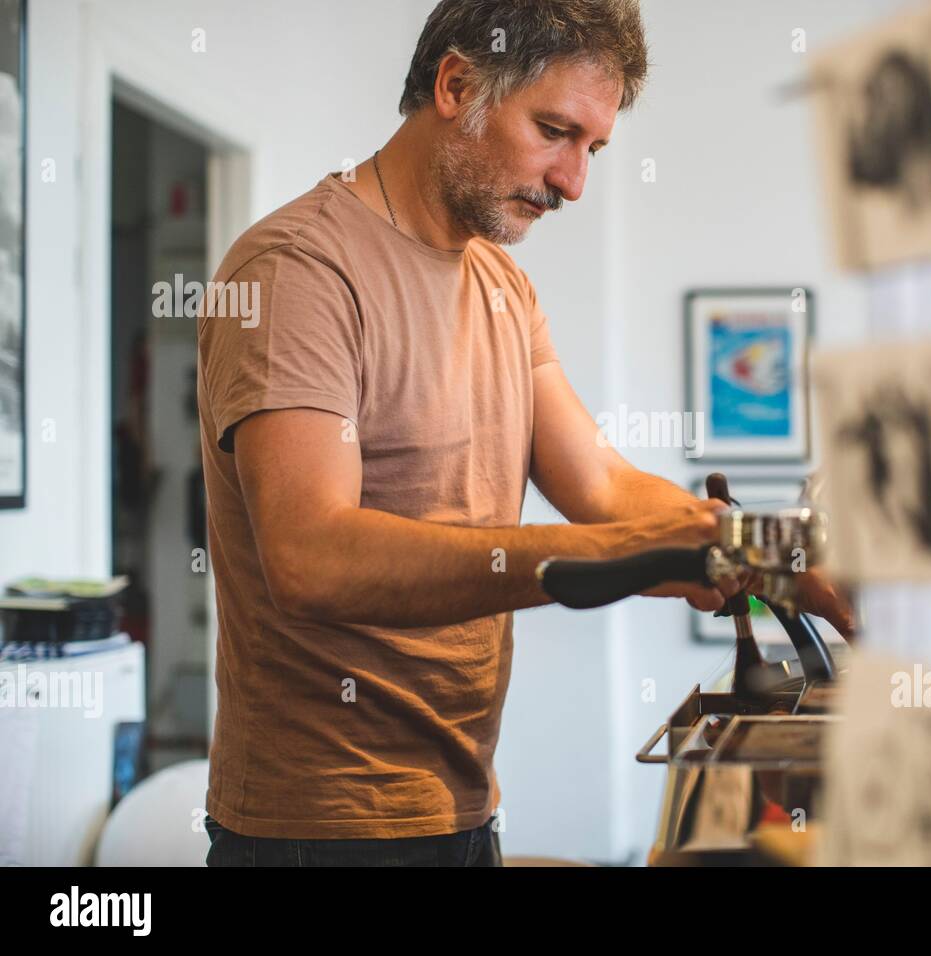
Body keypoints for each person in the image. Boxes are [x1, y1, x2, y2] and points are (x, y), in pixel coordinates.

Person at [197, 0, 854, 867]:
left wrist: (767, 554)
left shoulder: (502, 284)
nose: (574, 182)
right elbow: (311, 557)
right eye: (555, 131)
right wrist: (635, 553)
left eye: (594, 149)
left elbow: (601, 484)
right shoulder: (298, 272)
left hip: (464, 801)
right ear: (457, 82)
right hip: (320, 829)